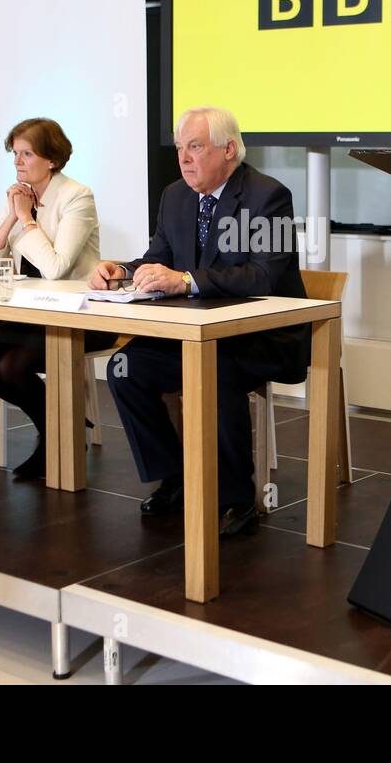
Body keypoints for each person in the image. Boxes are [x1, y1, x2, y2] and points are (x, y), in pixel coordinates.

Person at [91, 106, 310, 538]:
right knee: (124, 367)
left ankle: (236, 498)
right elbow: (160, 258)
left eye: (195, 147)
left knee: (215, 367)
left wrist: (186, 280)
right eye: (179, 149)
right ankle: (173, 477)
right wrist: (123, 270)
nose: (184, 158)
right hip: (196, 332)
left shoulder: (269, 195)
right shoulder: (175, 195)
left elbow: (263, 274)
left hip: (261, 336)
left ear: (229, 149)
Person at [0, 118, 112, 480]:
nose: (18, 161)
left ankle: (57, 436)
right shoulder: (19, 194)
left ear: (51, 159)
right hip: (31, 311)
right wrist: (8, 223)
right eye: (15, 153)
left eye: (27, 153)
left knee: (11, 366)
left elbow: (57, 269)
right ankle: (63, 424)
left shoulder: (77, 196)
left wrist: (26, 220)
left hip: (79, 313)